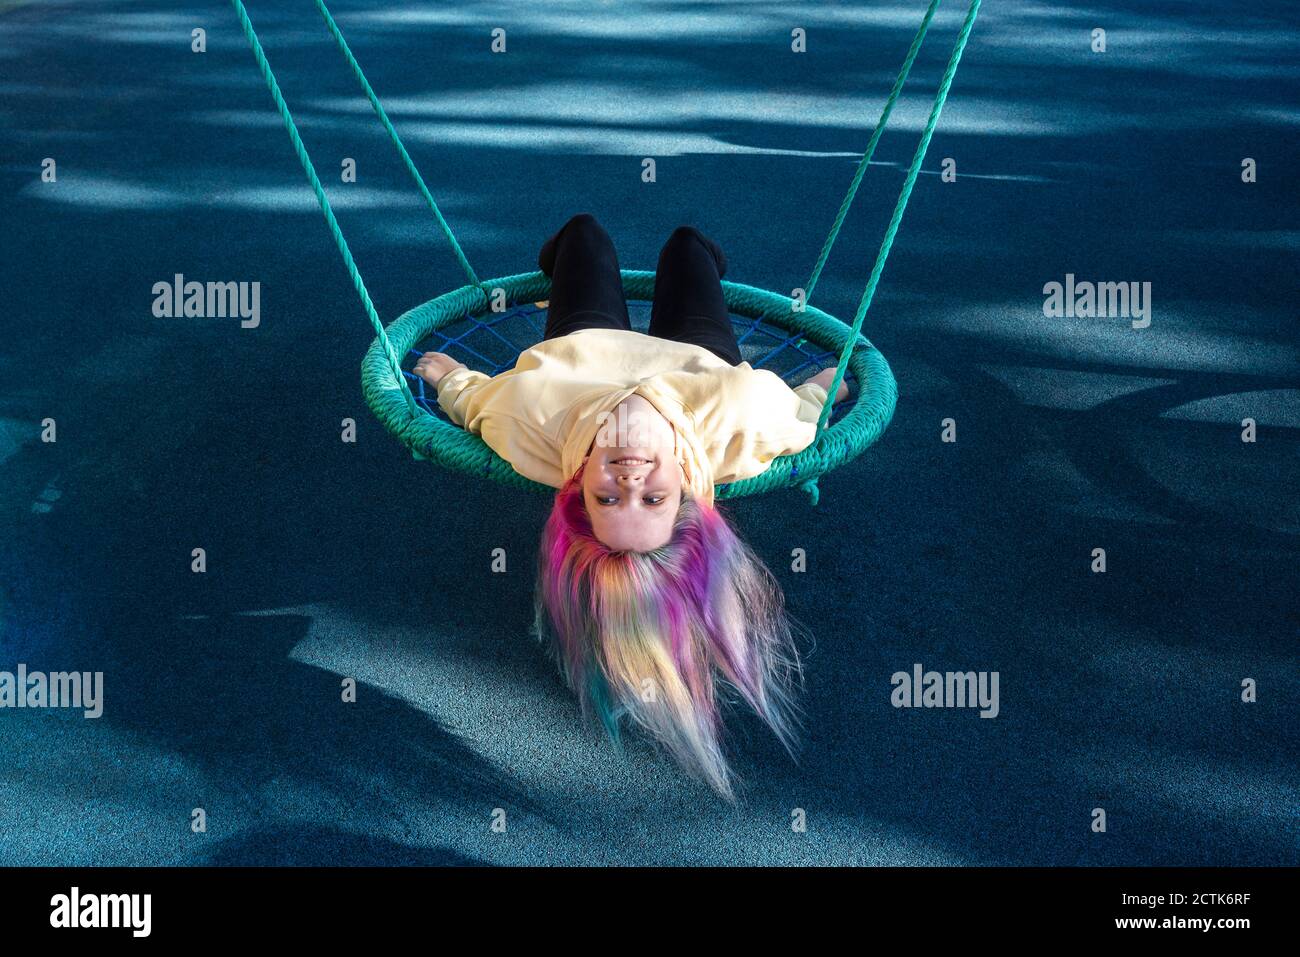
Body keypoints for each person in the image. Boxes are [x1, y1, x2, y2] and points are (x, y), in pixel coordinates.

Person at [413, 213, 849, 797]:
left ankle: (566, 257)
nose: (629, 475)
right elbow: (802, 409)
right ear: (687, 497)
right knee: (686, 247)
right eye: (654, 497)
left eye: (609, 496)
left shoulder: (532, 423)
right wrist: (827, 386)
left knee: (585, 235)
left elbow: (476, 404)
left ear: (578, 490)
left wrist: (450, 379)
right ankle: (695, 257)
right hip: (697, 360)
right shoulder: (739, 426)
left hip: (584, 348)